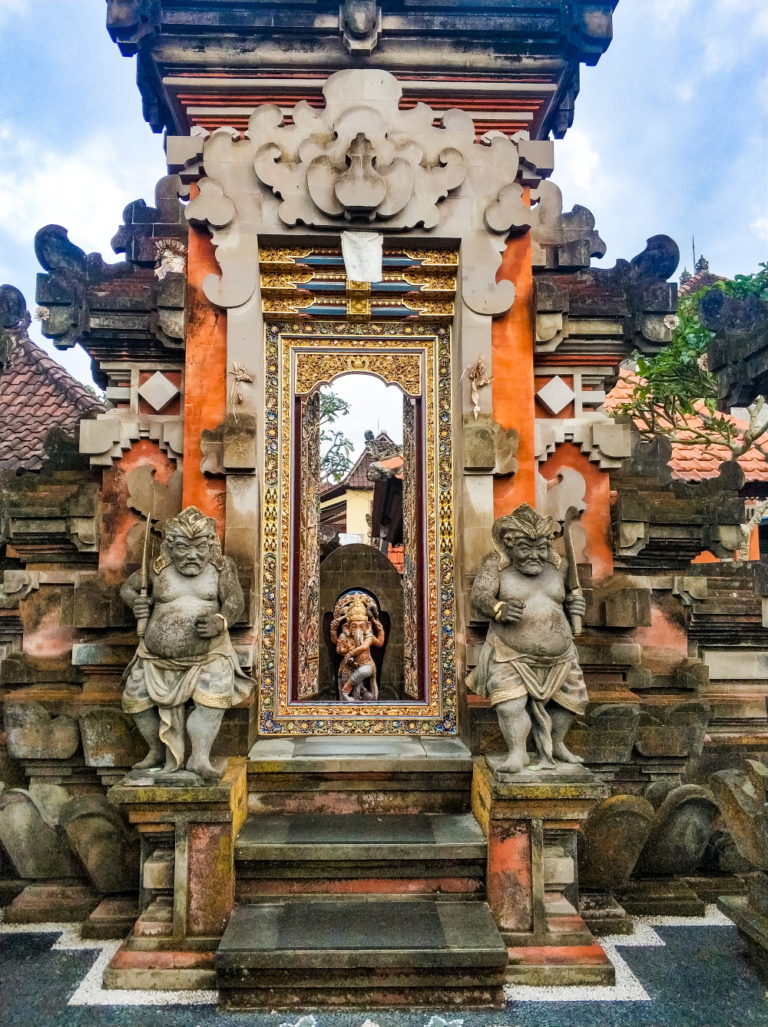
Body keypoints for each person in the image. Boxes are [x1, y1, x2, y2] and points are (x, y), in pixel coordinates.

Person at [120, 506, 250, 782]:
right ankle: (156, 750)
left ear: (211, 545)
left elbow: (235, 601)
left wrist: (220, 621)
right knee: (135, 702)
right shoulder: (157, 568)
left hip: (209, 655)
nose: (192, 555)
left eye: (200, 547)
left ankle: (199, 757)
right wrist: (137, 603)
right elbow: (128, 589)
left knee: (212, 703)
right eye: (183, 548)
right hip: (153, 657)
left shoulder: (221, 567)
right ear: (170, 547)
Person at [467, 504, 587, 774]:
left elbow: (571, 598)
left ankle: (557, 744)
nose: (534, 555)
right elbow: (480, 597)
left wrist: (577, 608)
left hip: (562, 654)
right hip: (510, 653)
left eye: (540, 547)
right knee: (510, 705)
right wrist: (499, 608)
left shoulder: (559, 567)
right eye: (525, 548)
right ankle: (517, 752)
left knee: (572, 703)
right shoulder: (495, 565)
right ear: (508, 546)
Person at [330, 598, 385, 701]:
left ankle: (346, 690)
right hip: (348, 665)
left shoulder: (368, 636)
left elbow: (379, 644)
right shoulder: (344, 636)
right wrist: (333, 630)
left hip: (366, 663)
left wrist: (380, 630)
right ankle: (348, 700)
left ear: (368, 626)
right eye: (354, 626)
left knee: (365, 671)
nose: (358, 629)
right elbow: (336, 642)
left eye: (362, 625)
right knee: (347, 679)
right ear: (347, 627)